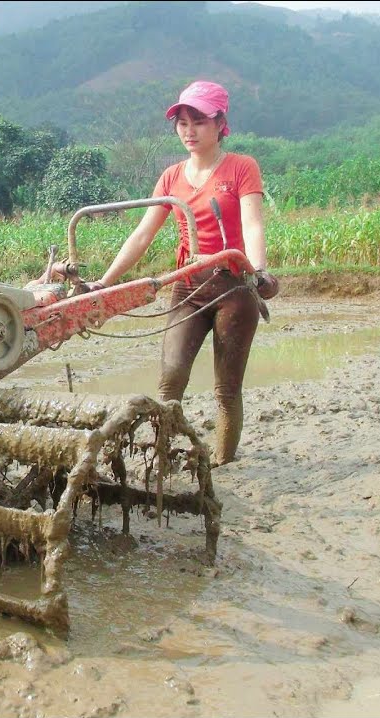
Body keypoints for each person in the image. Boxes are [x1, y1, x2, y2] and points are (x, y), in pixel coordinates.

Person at [83, 80, 279, 465]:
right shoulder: (171, 177)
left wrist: (258, 270)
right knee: (171, 378)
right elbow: (143, 234)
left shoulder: (242, 168)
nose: (189, 131)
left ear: (220, 124)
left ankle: (224, 462)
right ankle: (164, 458)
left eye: (199, 121)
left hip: (235, 288)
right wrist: (104, 282)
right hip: (188, 287)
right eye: (182, 123)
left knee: (226, 388)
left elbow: (252, 223)